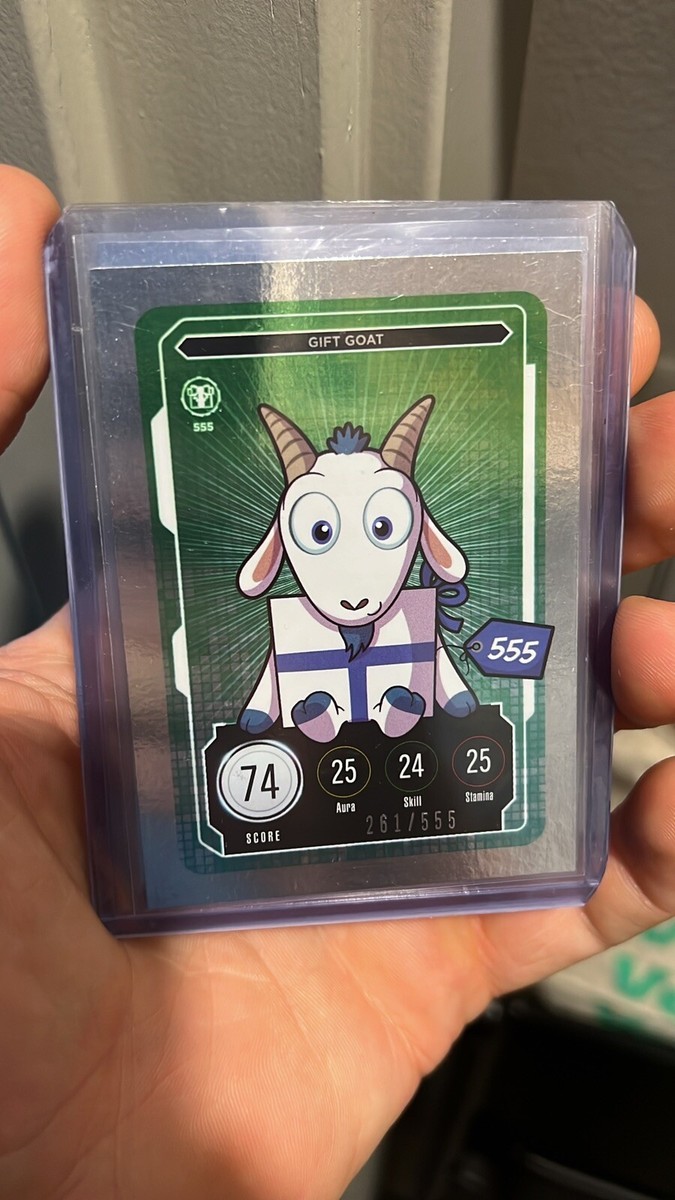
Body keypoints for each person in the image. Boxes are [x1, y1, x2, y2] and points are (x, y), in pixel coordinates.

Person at [0, 164, 672, 1200]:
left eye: (388, 526)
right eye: (314, 531)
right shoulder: (283, 622)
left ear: (420, 535)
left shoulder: (423, 614)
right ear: (283, 543)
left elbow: (447, 676)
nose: (356, 568)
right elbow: (269, 686)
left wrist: (452, 705)